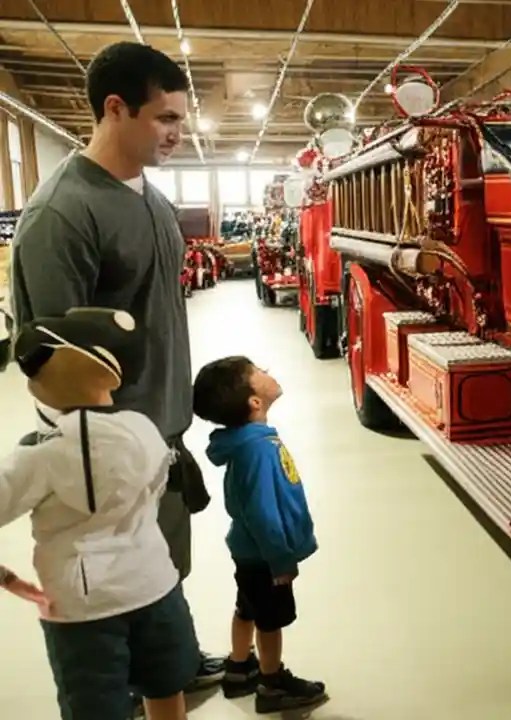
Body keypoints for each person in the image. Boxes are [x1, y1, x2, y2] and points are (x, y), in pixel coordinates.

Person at [5, 40, 225, 702]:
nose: (177, 134)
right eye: (164, 119)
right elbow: (54, 363)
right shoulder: (62, 214)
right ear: (115, 108)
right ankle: (125, 695)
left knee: (163, 572)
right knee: (110, 595)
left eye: (180, 119)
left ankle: (166, 663)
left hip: (163, 433)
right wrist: (103, 455)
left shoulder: (155, 203)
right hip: (103, 458)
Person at [0, 307, 200, 719]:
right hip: (155, 585)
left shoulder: (39, 456)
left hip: (80, 609)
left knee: (95, 708)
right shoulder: (146, 431)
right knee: (165, 687)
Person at [192, 356, 327, 713]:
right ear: (255, 401)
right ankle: (272, 683)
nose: (269, 371)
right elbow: (262, 514)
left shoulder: (245, 442)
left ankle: (239, 667)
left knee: (246, 606)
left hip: (248, 553)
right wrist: (281, 560)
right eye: (259, 372)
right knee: (270, 621)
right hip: (266, 556)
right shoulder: (258, 450)